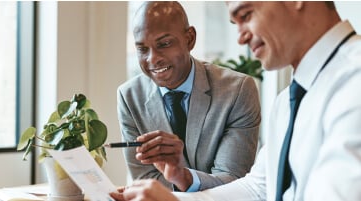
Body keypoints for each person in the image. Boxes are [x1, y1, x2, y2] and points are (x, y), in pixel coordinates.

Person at [111, 1, 361, 201]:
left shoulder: (355, 80)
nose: (240, 37)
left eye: (247, 15)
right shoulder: (287, 100)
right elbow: (259, 188)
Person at [116, 1, 261, 192]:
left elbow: (234, 182)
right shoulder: (129, 97)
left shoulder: (237, 91)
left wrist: (182, 176)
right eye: (143, 49)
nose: (152, 58)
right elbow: (147, 182)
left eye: (164, 44)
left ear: (190, 39)